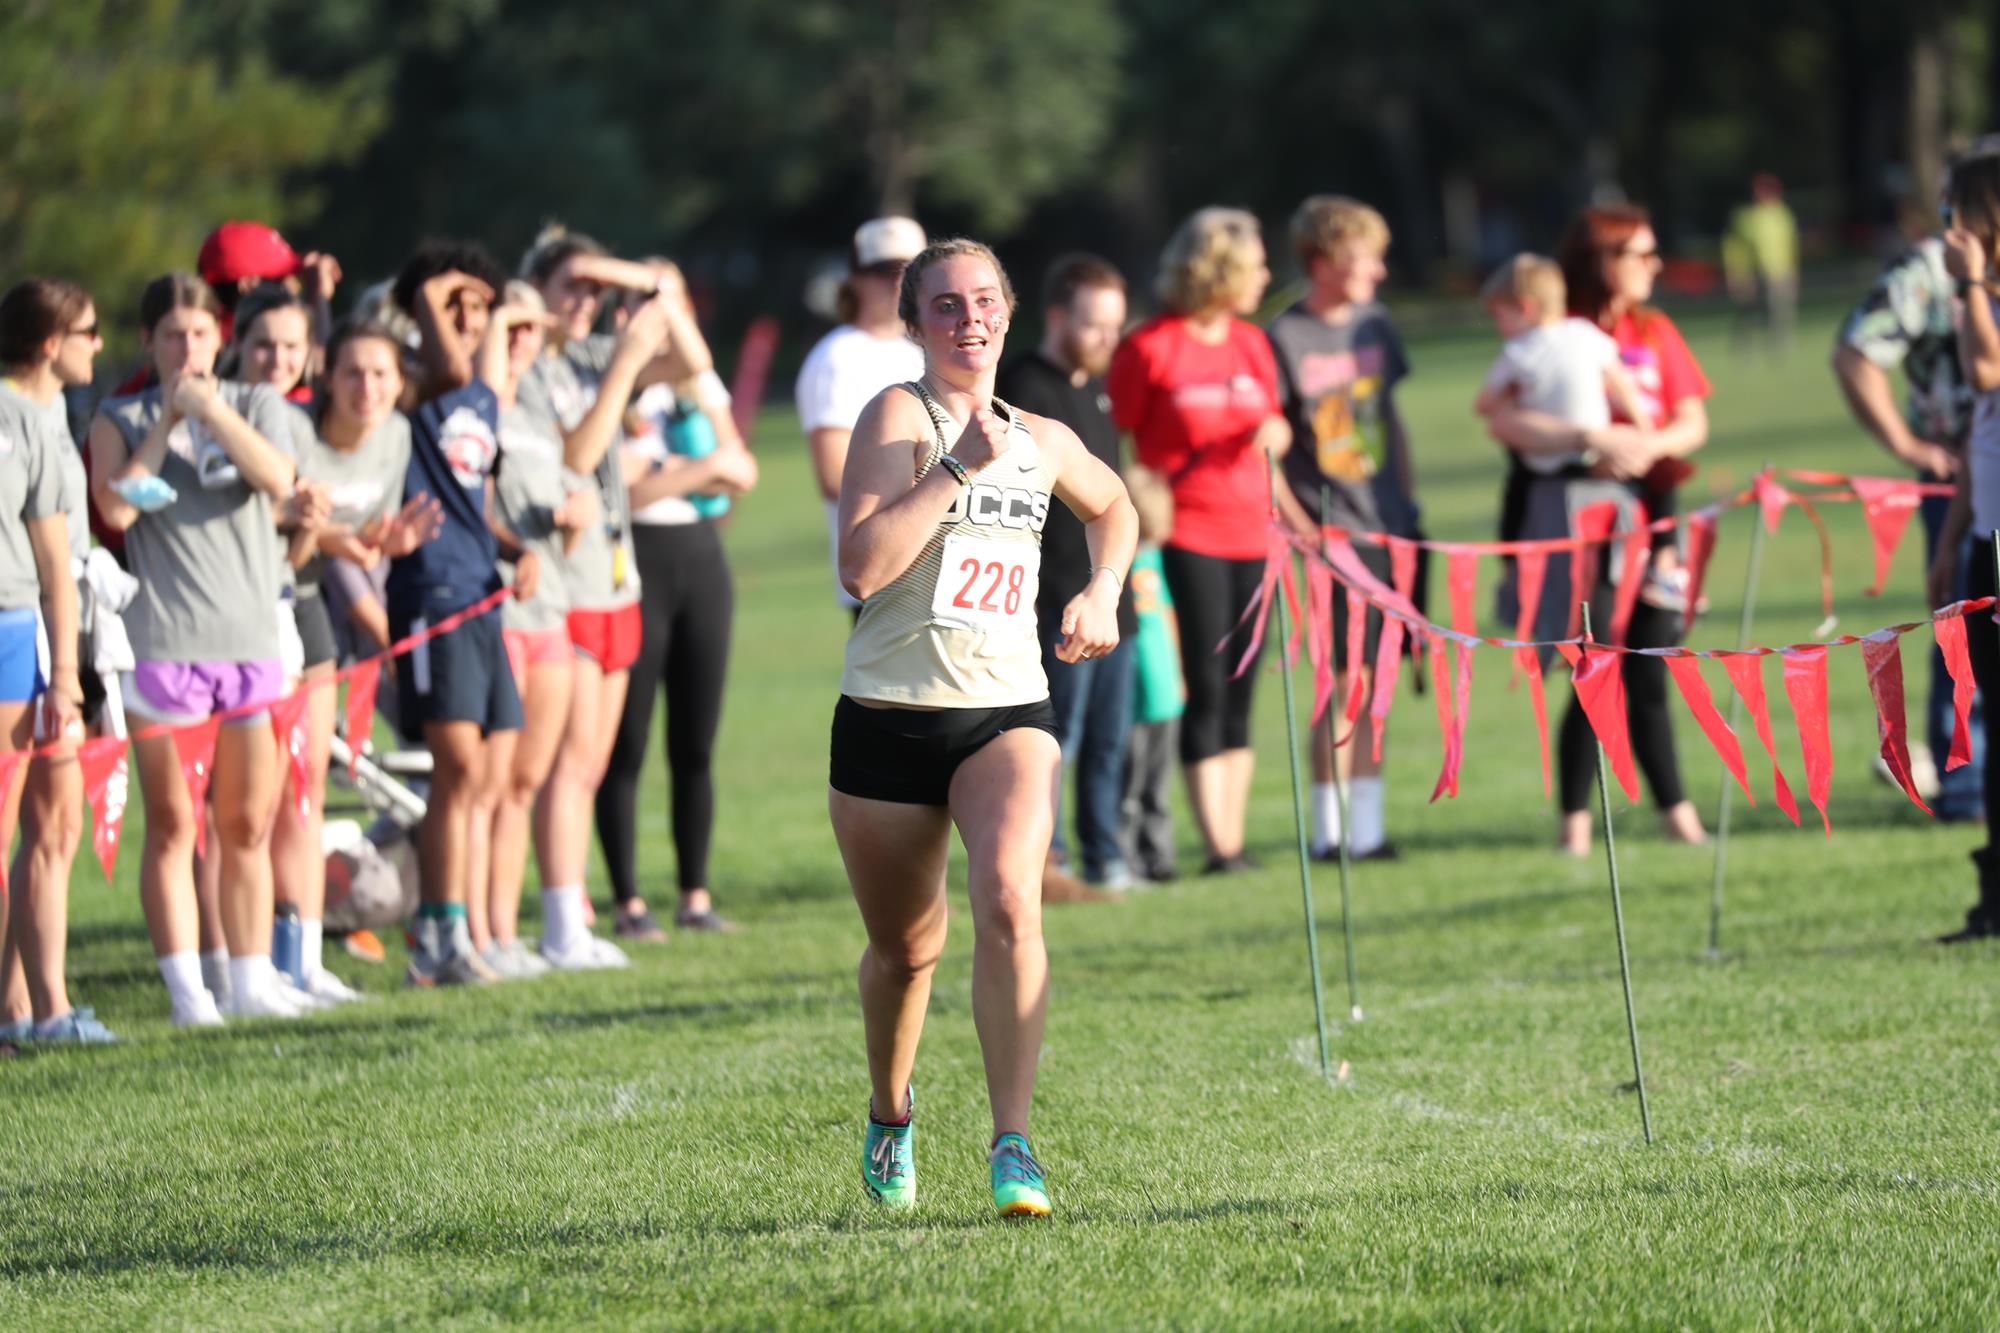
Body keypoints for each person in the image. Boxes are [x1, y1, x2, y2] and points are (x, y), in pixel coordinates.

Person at [832, 237, 1136, 1217]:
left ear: (1005, 310)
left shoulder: (1043, 437)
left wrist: (1102, 588)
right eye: (945, 306)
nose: (969, 319)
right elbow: (861, 566)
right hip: (888, 720)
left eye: (983, 301)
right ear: (915, 322)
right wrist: (955, 467)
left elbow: (1116, 504)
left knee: (1009, 899)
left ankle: (1014, 1143)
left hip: (1005, 708)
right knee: (905, 951)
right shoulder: (896, 415)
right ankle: (889, 1111)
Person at [90, 273, 301, 1024]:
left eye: (203, 334)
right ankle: (189, 994)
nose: (189, 348)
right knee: (176, 825)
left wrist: (212, 409)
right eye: (174, 335)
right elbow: (115, 503)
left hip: (249, 645)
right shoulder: (120, 415)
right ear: (149, 341)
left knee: (247, 824)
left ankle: (251, 979)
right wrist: (167, 423)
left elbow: (278, 478)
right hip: (164, 649)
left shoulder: (255, 403)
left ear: (224, 340)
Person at [1487, 205, 1712, 854]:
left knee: (1650, 663)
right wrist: (1590, 440)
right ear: (1601, 259)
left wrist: (1646, 444)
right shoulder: (1555, 333)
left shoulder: (1655, 327)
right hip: (1575, 516)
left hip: (1656, 516)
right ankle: (1575, 827)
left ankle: (1678, 814)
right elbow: (1503, 421)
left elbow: (1690, 419)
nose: (1654, 264)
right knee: (1593, 665)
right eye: (1639, 253)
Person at [1107, 207, 1289, 874]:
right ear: (1220, 269)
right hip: (1186, 533)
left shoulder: (1251, 342)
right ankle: (1219, 843)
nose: (1265, 274)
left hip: (1254, 531)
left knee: (1242, 687)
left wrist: (1278, 441)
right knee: (1205, 685)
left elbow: (1274, 422)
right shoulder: (1151, 347)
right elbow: (1112, 441)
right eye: (1256, 263)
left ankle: (1231, 839)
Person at [516, 226, 682, 954]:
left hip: (618, 582)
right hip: (569, 584)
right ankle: (560, 919)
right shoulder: (530, 372)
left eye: (592, 290)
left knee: (590, 762)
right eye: (568, 287)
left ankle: (569, 913)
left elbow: (690, 346)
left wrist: (611, 269)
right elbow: (579, 455)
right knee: (566, 762)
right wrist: (625, 369)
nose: (582, 302)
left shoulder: (590, 355)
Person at [1832, 139, 2000, 821]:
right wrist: (1906, 442)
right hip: (1963, 476)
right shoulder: (1931, 267)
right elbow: (1855, 350)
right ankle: (1963, 784)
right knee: (1964, 637)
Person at [385, 299, 547, 985]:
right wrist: (494, 303)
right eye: (463, 311)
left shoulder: (477, 406)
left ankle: (464, 928)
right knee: (455, 768)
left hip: (484, 602)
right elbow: (452, 354)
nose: (475, 326)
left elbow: (472, 507)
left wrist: (517, 548)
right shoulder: (420, 399)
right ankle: (438, 931)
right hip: (435, 606)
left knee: (487, 772)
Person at [598, 277, 759, 939]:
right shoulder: (604, 380)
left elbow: (742, 469)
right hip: (635, 562)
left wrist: (667, 470)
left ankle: (695, 894)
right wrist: (701, 469)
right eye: (642, 303)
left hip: (701, 560)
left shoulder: (696, 385)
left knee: (695, 741)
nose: (658, 317)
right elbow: (621, 496)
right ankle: (628, 900)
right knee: (627, 742)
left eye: (669, 305)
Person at [1267, 196, 1415, 861]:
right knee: (1338, 680)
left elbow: (1393, 419)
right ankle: (1330, 834)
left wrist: (1406, 504)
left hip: (1388, 528)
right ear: (1324, 261)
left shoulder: (1377, 325)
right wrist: (1302, 530)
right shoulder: (1282, 336)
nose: (1377, 271)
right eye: (1364, 257)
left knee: (1378, 678)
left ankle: (1371, 829)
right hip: (1327, 534)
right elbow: (1262, 449)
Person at [997, 254, 1136, 889]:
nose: (1109, 339)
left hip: (1110, 594)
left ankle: (1106, 858)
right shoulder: (1023, 387)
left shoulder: (1098, 387)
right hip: (1054, 598)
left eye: (1116, 326)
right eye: (1095, 325)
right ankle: (1046, 867)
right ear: (1056, 317)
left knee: (1111, 740)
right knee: (1058, 740)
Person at [0, 278, 103, 1043]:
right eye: (87, 332)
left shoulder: (52, 414)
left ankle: (28, 1006)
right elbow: (48, 560)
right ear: (48, 343)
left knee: (56, 822)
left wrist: (66, 669)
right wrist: (65, 673)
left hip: (33, 634)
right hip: (17, 629)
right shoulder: (20, 418)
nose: (98, 344)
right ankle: (41, 1008)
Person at [484, 280, 592, 977]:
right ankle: (484, 931)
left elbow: (560, 524)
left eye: (532, 328)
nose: (525, 339)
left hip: (549, 604)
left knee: (525, 781)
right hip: (493, 608)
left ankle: (508, 930)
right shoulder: (478, 401)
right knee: (490, 783)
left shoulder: (540, 406)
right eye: (511, 327)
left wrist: (574, 521)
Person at [1927, 149, 2000, 941]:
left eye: (1956, 207)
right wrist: (1950, 539)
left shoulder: (1984, 299)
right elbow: (1985, 434)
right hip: (1987, 537)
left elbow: (1989, 373)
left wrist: (1973, 280)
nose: (1946, 224)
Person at [797, 217, 928, 619]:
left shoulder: (926, 347)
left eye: (908, 271)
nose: (895, 283)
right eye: (881, 272)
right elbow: (834, 476)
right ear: (854, 280)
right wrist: (938, 490)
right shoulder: (837, 357)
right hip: (883, 566)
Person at [1119, 463, 1184, 882]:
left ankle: (1159, 854)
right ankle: (1126, 855)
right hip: (1130, 689)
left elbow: (1167, 614)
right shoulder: (1117, 558)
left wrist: (1178, 675)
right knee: (1130, 782)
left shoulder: (1154, 558)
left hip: (1163, 690)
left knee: (1158, 783)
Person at [1722, 173, 1800, 362]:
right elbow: (1734, 247)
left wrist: (1793, 272)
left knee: (1778, 312)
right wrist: (1737, 273)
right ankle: (1743, 350)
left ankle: (1777, 350)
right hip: (1752, 273)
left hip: (1779, 272)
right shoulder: (1745, 216)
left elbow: (1791, 244)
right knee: (1747, 313)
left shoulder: (1782, 214)